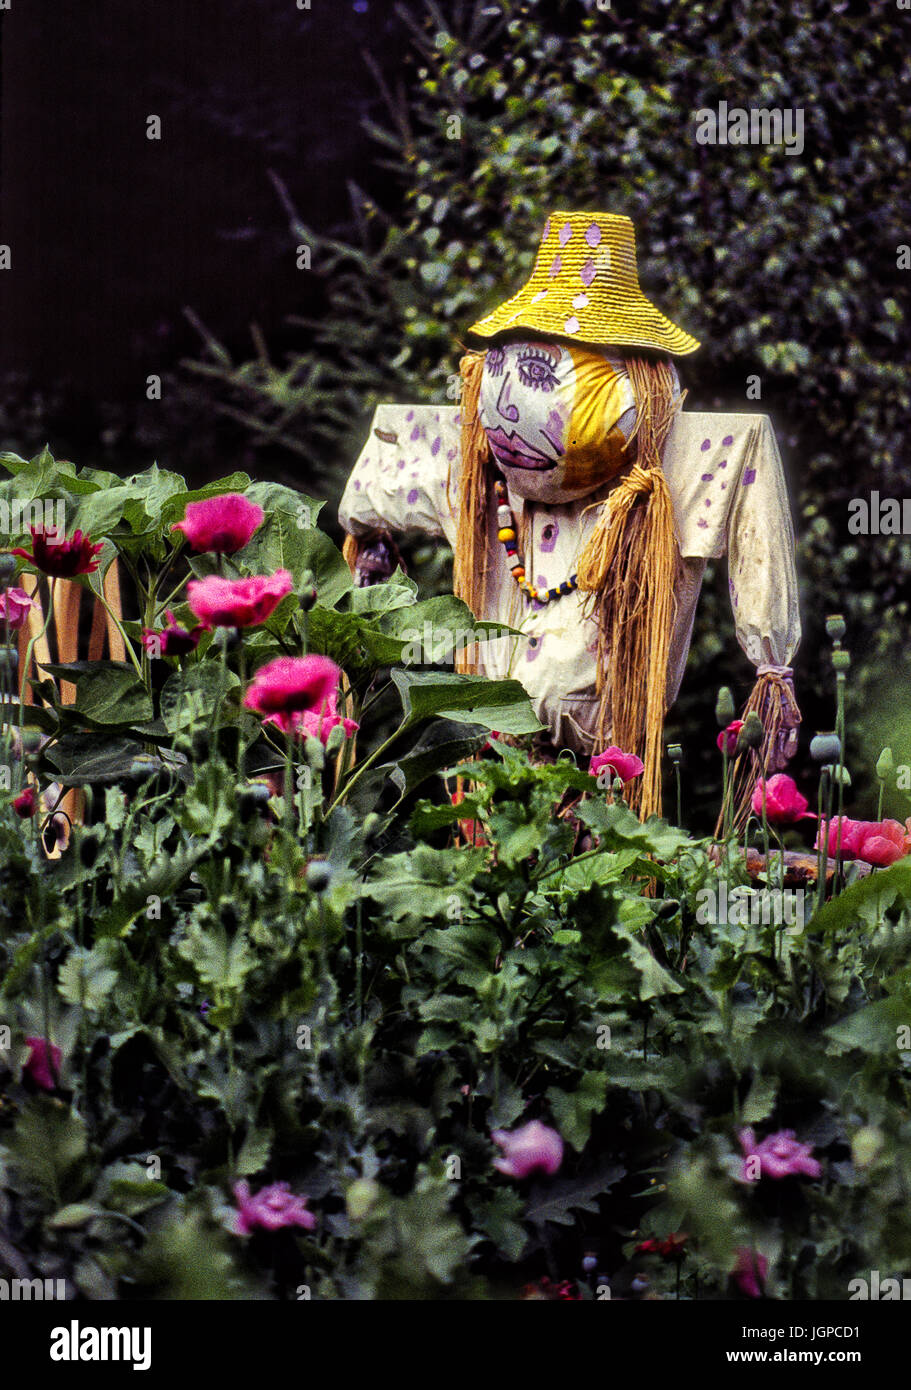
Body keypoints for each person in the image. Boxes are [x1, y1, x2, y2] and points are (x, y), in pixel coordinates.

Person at [340, 212, 800, 817]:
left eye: (538, 373)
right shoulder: (470, 459)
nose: (506, 408)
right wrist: (367, 541)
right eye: (508, 369)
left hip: (608, 758)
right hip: (492, 761)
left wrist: (770, 661)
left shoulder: (679, 461)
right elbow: (390, 455)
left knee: (593, 872)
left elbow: (751, 471)